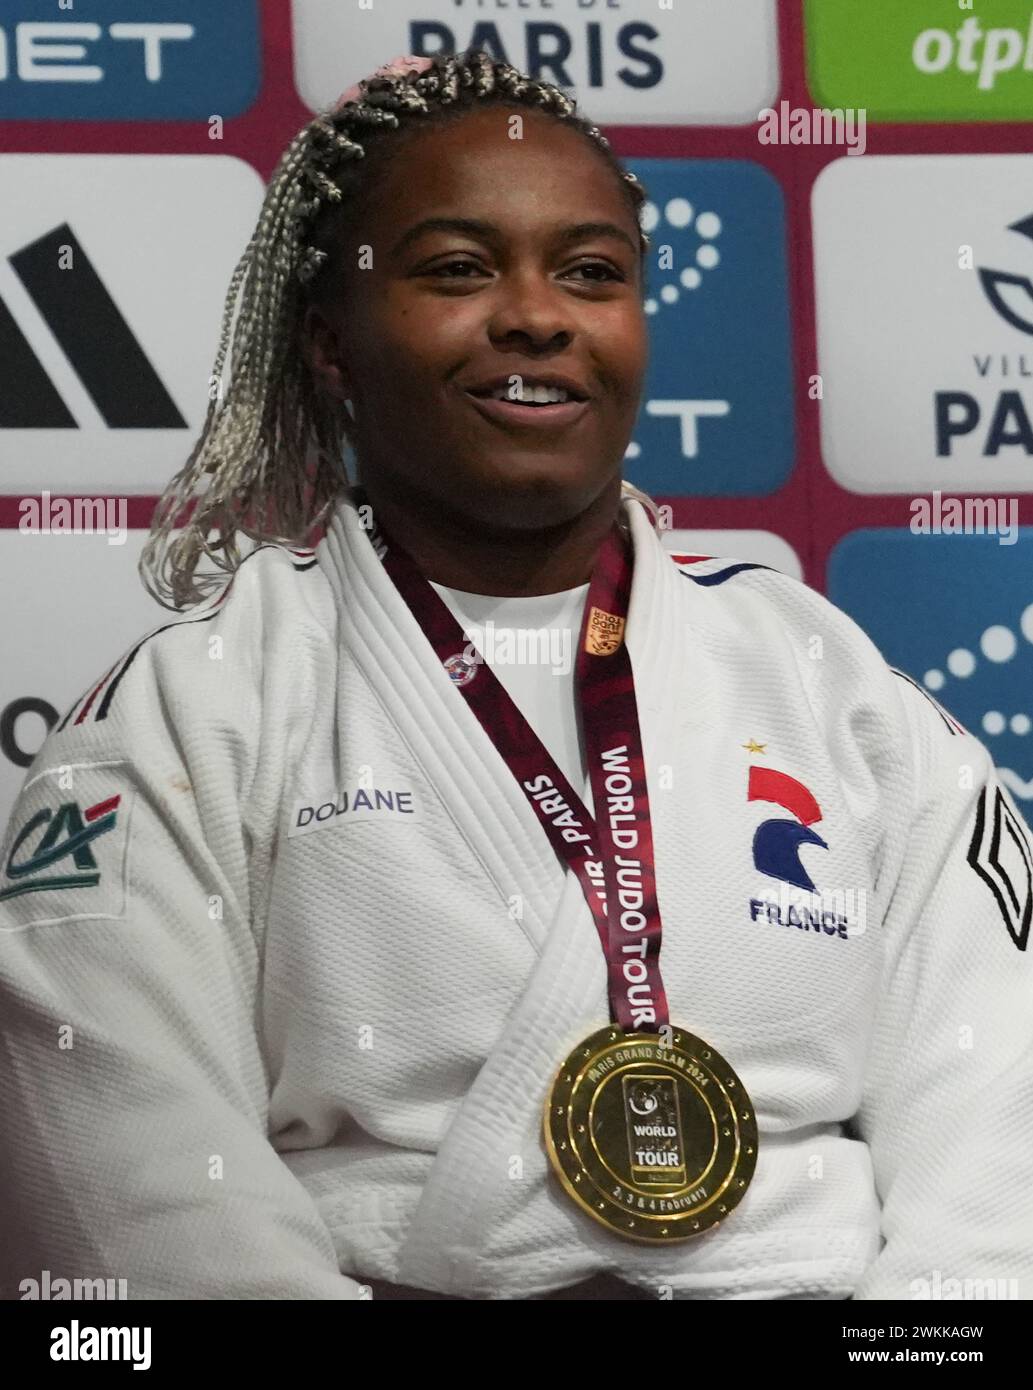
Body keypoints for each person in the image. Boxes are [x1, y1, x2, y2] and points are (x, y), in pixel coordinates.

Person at [1, 48, 1031, 1303]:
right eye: (456, 269)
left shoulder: (828, 681)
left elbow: (996, 1142)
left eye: (591, 273)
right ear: (331, 344)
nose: (538, 314)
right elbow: (130, 1183)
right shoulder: (196, 706)